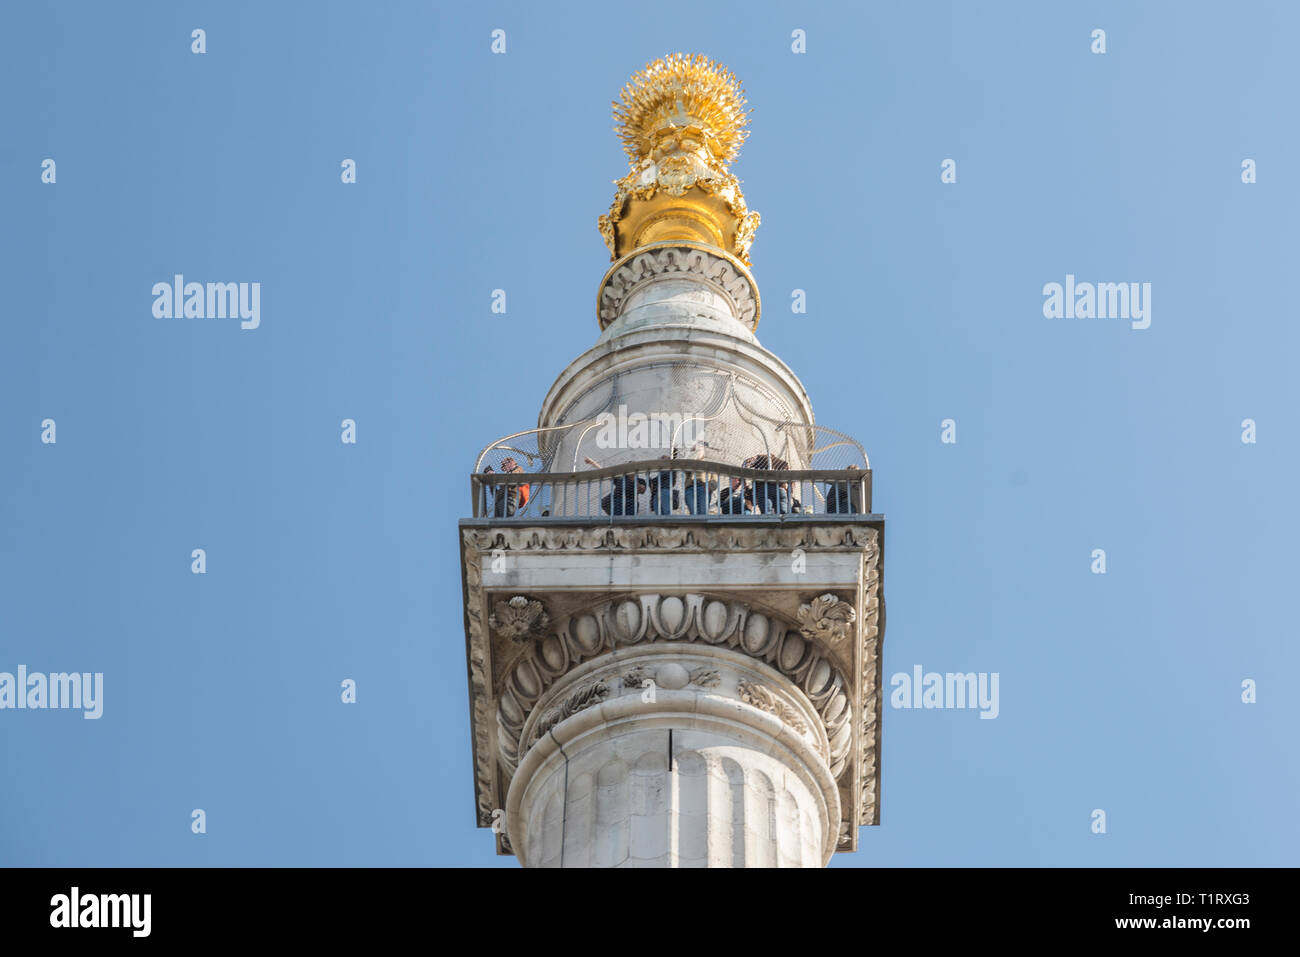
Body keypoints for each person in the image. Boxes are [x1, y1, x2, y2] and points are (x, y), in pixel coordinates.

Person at [681, 440, 714, 515]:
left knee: (703, 512)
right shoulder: (692, 463)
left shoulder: (710, 464)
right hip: (690, 488)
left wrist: (709, 488)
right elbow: (685, 469)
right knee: (693, 513)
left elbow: (714, 479)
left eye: (700, 447)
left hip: (703, 488)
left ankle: (703, 526)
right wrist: (692, 454)